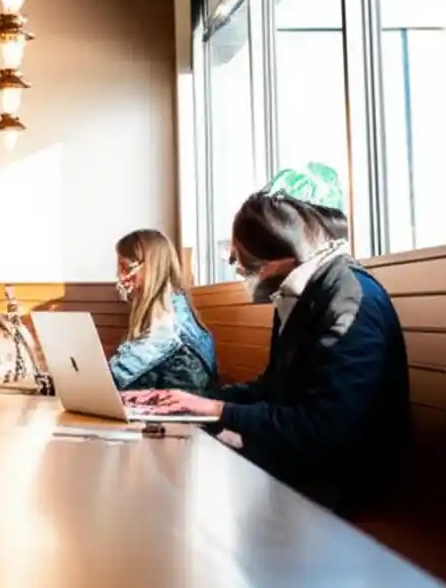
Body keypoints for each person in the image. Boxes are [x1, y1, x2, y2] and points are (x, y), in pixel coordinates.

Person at [136, 192, 411, 513]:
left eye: (246, 263)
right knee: (168, 465)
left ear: (283, 256)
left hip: (346, 482)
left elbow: (325, 427)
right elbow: (272, 387)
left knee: (178, 485)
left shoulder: (349, 300)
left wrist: (217, 411)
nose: (240, 271)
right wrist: (188, 401)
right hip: (304, 459)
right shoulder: (301, 290)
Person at [108, 229, 216, 392]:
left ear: (150, 268)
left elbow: (115, 377)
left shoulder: (169, 325)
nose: (120, 276)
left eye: (125, 267)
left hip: (182, 415)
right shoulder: (175, 308)